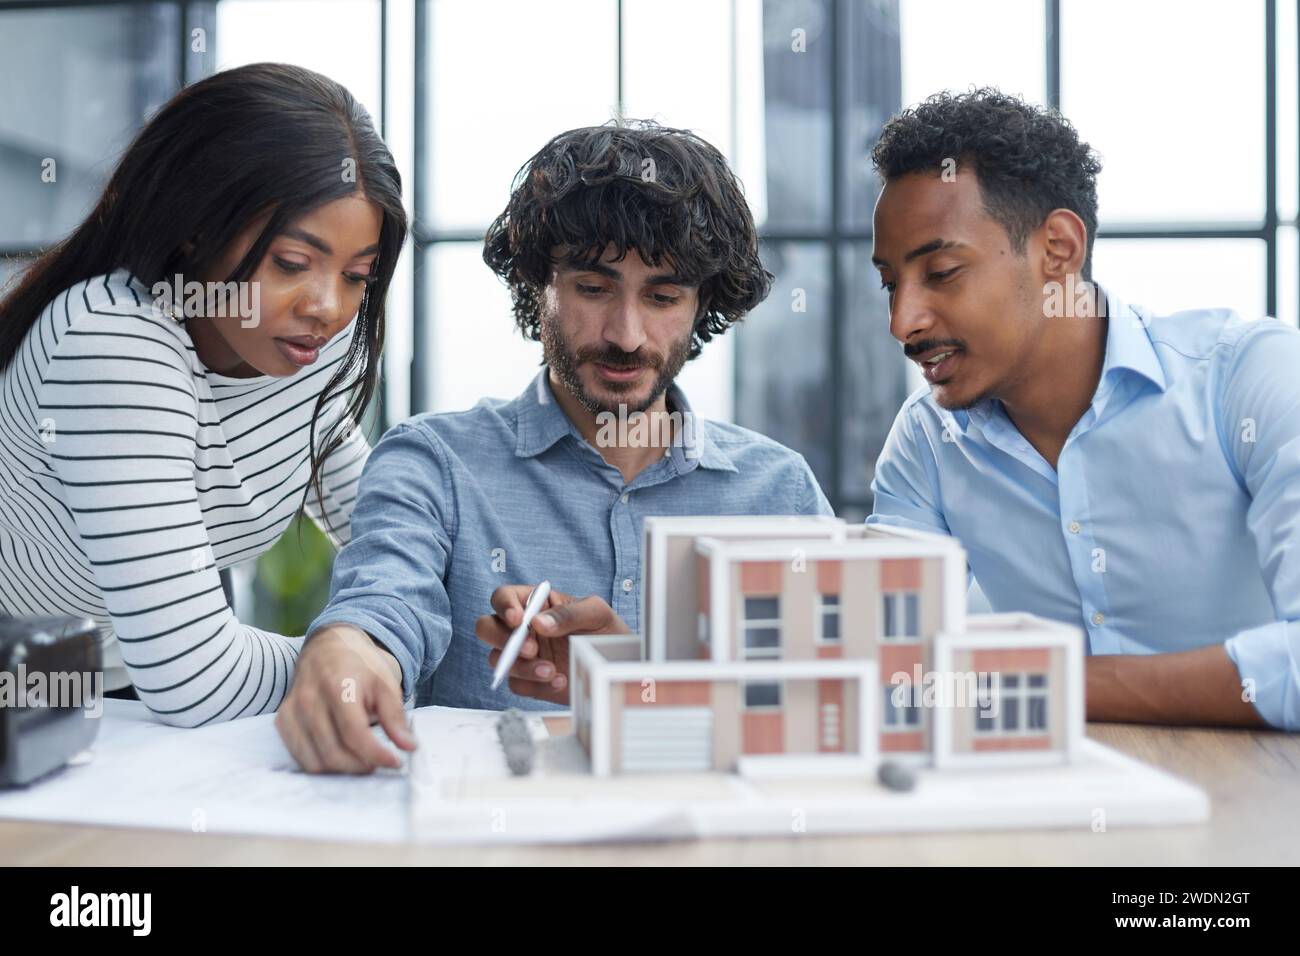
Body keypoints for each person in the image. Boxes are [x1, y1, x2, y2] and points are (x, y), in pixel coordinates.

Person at [276, 120, 833, 773]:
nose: (626, 334)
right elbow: (382, 600)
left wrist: (633, 680)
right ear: (536, 286)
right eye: (593, 289)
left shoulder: (779, 493)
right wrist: (347, 652)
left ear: (701, 301)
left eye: (663, 296)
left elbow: (827, 707)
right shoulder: (434, 462)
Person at [866, 88, 1299, 730]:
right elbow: (889, 669)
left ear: (1059, 251)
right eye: (889, 283)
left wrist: (1040, 680)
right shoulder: (928, 440)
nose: (903, 321)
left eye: (944, 272)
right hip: (1045, 810)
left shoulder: (1248, 378)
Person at [0, 62, 407, 727]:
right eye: (291, 264)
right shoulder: (113, 340)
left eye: (358, 275)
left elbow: (387, 533)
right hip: (29, 693)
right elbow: (197, 677)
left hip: (126, 697)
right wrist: (367, 660)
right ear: (198, 229)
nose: (329, 306)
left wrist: (484, 612)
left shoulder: (306, 345)